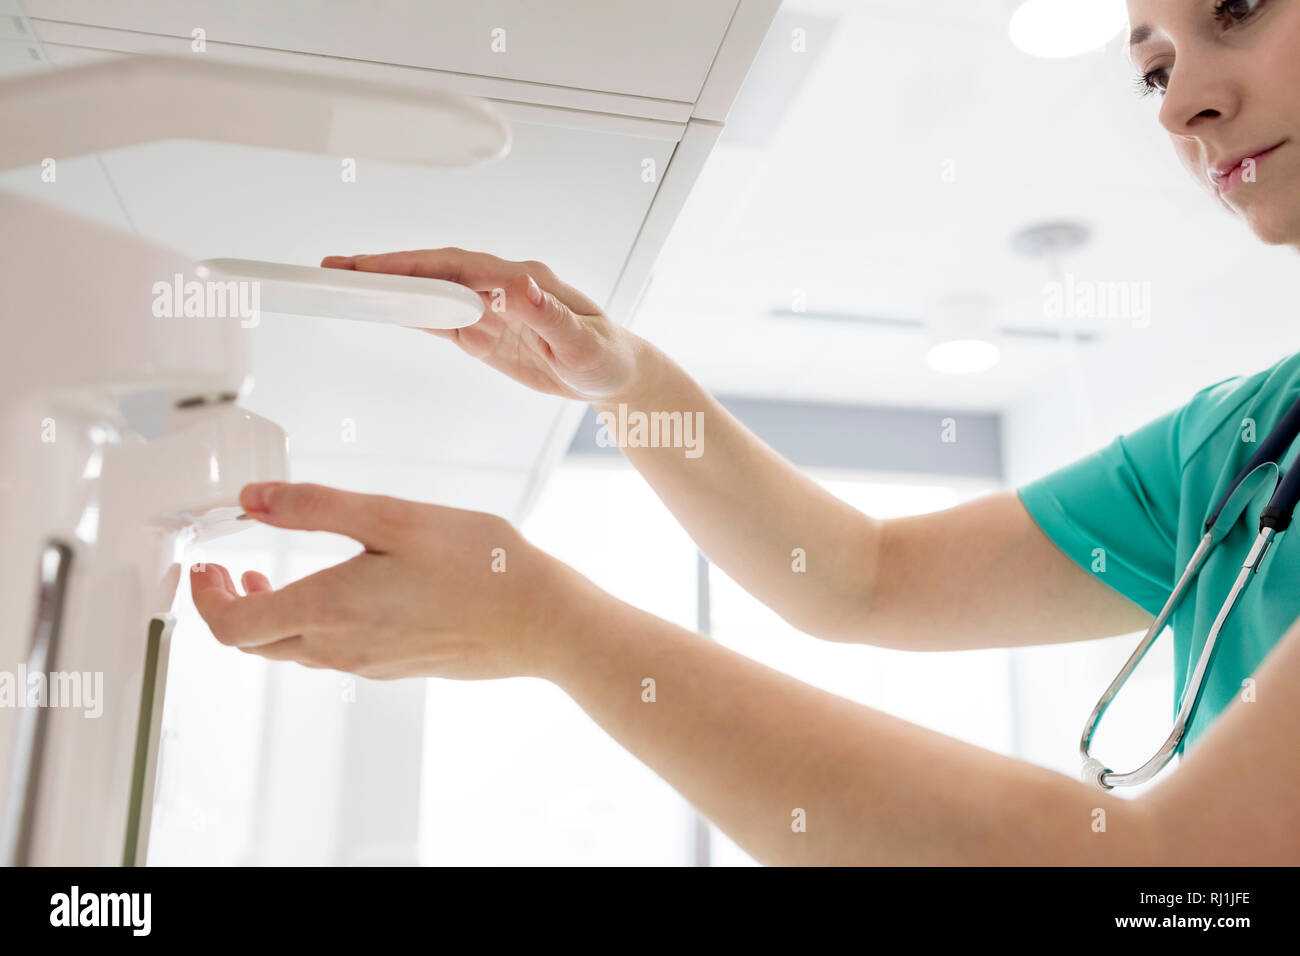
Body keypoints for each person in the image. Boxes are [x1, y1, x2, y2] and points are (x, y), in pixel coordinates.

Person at [191, 0, 1300, 864]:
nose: (1175, 104)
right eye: (1151, 68)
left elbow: (1178, 875)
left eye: (1238, 10)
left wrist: (552, 626)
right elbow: (862, 579)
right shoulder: (1241, 445)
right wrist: (626, 382)